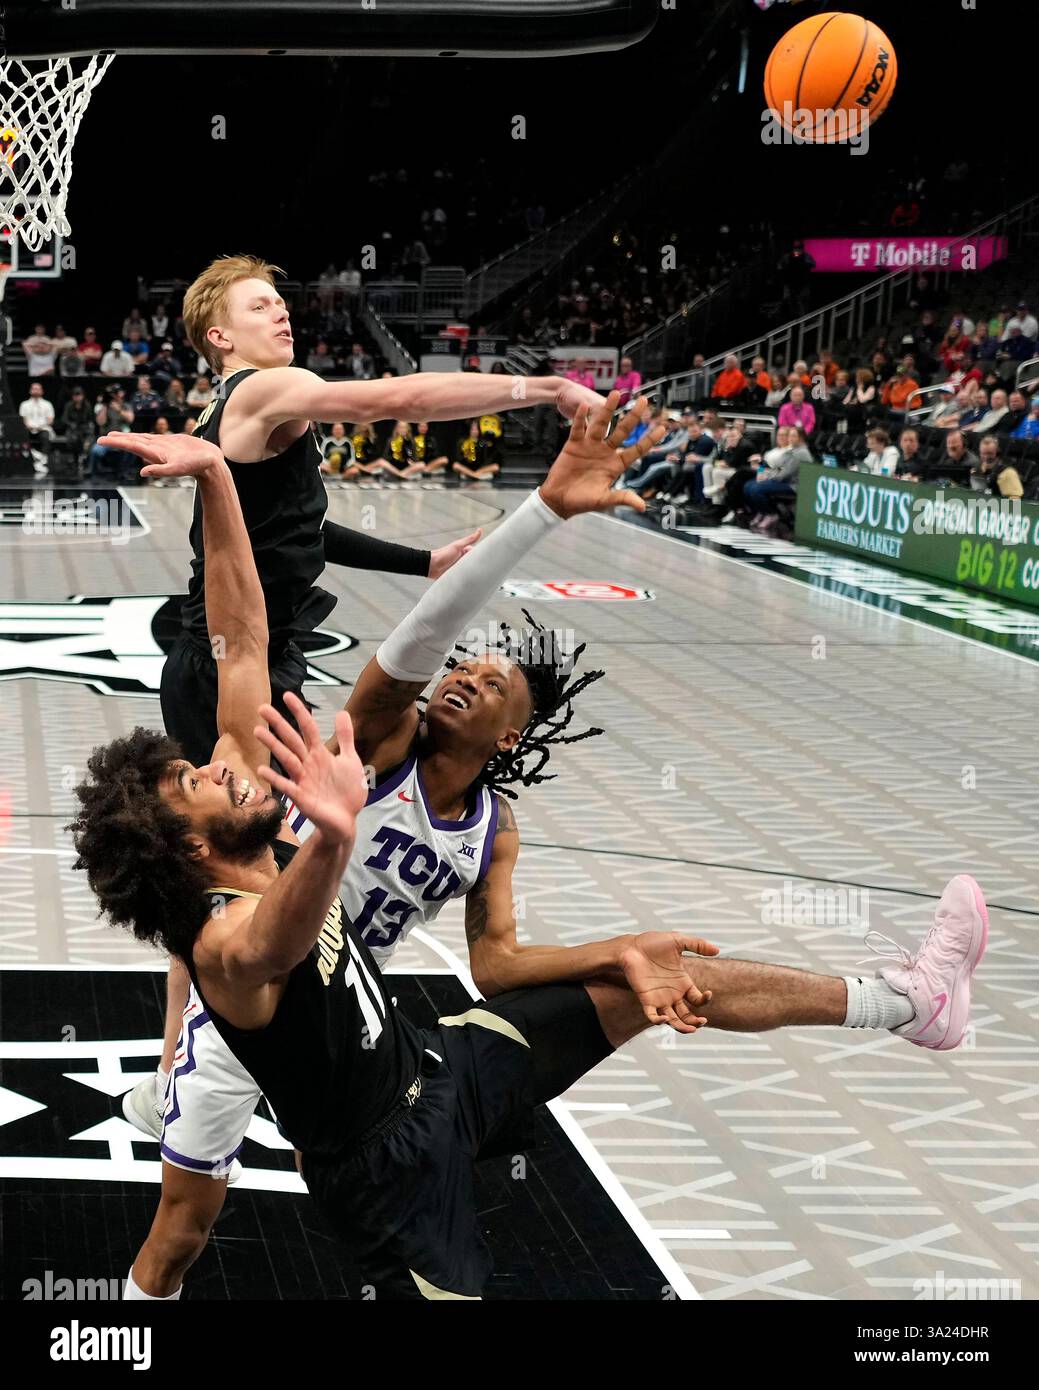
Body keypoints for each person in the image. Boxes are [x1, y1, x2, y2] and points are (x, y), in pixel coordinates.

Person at [75, 411, 990, 1302]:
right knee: (182, 1227)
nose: (464, 674)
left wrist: (217, 481)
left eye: (489, 680)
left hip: (416, 1058)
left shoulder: (459, 818)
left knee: (653, 974)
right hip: (321, 1107)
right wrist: (338, 830)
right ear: (193, 842)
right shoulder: (358, 771)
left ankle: (907, 1001)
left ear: (512, 735)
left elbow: (242, 632)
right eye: (197, 778)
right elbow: (276, 932)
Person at [161, 253, 603, 771]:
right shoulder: (262, 387)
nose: (281, 314)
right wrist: (546, 389)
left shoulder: (231, 404)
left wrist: (423, 561)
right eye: (259, 307)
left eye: (280, 304)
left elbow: (303, 533)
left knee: (274, 823)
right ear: (220, 338)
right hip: (225, 668)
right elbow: (401, 398)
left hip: (253, 654)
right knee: (246, 837)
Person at [744, 424, 812, 533]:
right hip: (776, 477)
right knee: (748, 485)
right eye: (789, 436)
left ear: (801, 438)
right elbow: (772, 467)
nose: (789, 438)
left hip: (792, 484)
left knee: (756, 488)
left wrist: (766, 476)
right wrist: (763, 471)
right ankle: (760, 512)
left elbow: (784, 473)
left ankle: (770, 513)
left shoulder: (798, 452)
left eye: (792, 436)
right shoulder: (774, 451)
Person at [18, 381, 55, 475]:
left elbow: (50, 420)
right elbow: (23, 420)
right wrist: (30, 426)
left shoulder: (47, 404)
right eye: (34, 388)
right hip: (29, 429)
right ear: (30, 391)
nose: (36, 390)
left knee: (45, 436)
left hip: (43, 429)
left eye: (38, 389)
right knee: (22, 436)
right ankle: (34, 459)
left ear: (42, 391)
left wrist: (40, 426)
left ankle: (42, 461)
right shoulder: (24, 404)